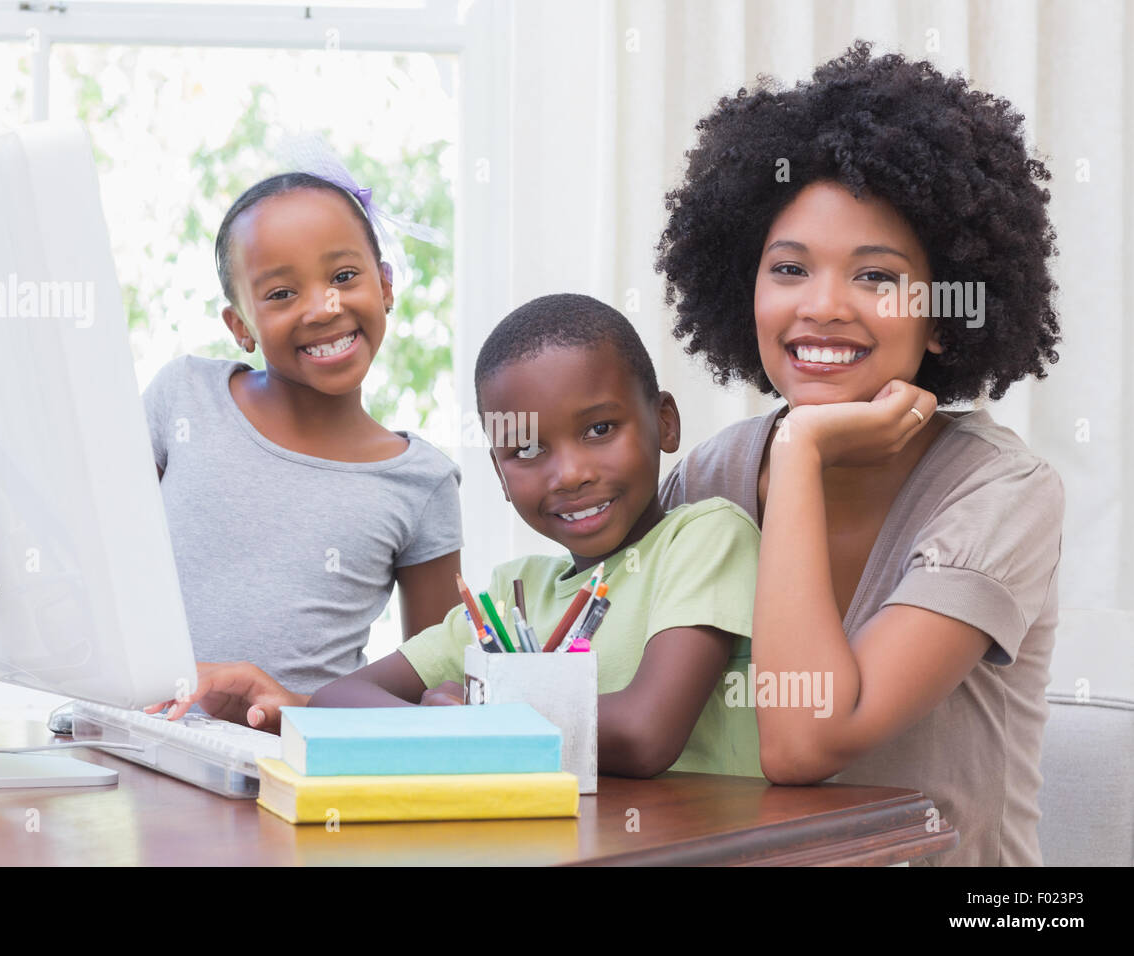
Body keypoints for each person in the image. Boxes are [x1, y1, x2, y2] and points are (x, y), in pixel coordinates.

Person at [655, 40, 1064, 864]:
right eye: (789, 268)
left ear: (944, 315)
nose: (823, 306)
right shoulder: (707, 479)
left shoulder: (1003, 493)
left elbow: (806, 742)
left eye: (875, 277)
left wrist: (802, 451)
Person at [0, 168, 464, 734]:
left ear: (385, 286)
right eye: (282, 293)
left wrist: (291, 710)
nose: (322, 307)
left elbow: (426, 690)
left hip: (284, 777)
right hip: (125, 748)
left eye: (343, 275)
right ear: (240, 325)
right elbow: (64, 574)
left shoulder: (421, 482)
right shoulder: (185, 398)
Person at [305, 294, 763, 778]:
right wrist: (443, 725)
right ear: (500, 476)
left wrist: (478, 720)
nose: (568, 475)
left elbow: (645, 733)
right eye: (526, 449)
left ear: (664, 422)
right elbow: (333, 700)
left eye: (599, 428)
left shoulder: (707, 537)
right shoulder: (511, 596)